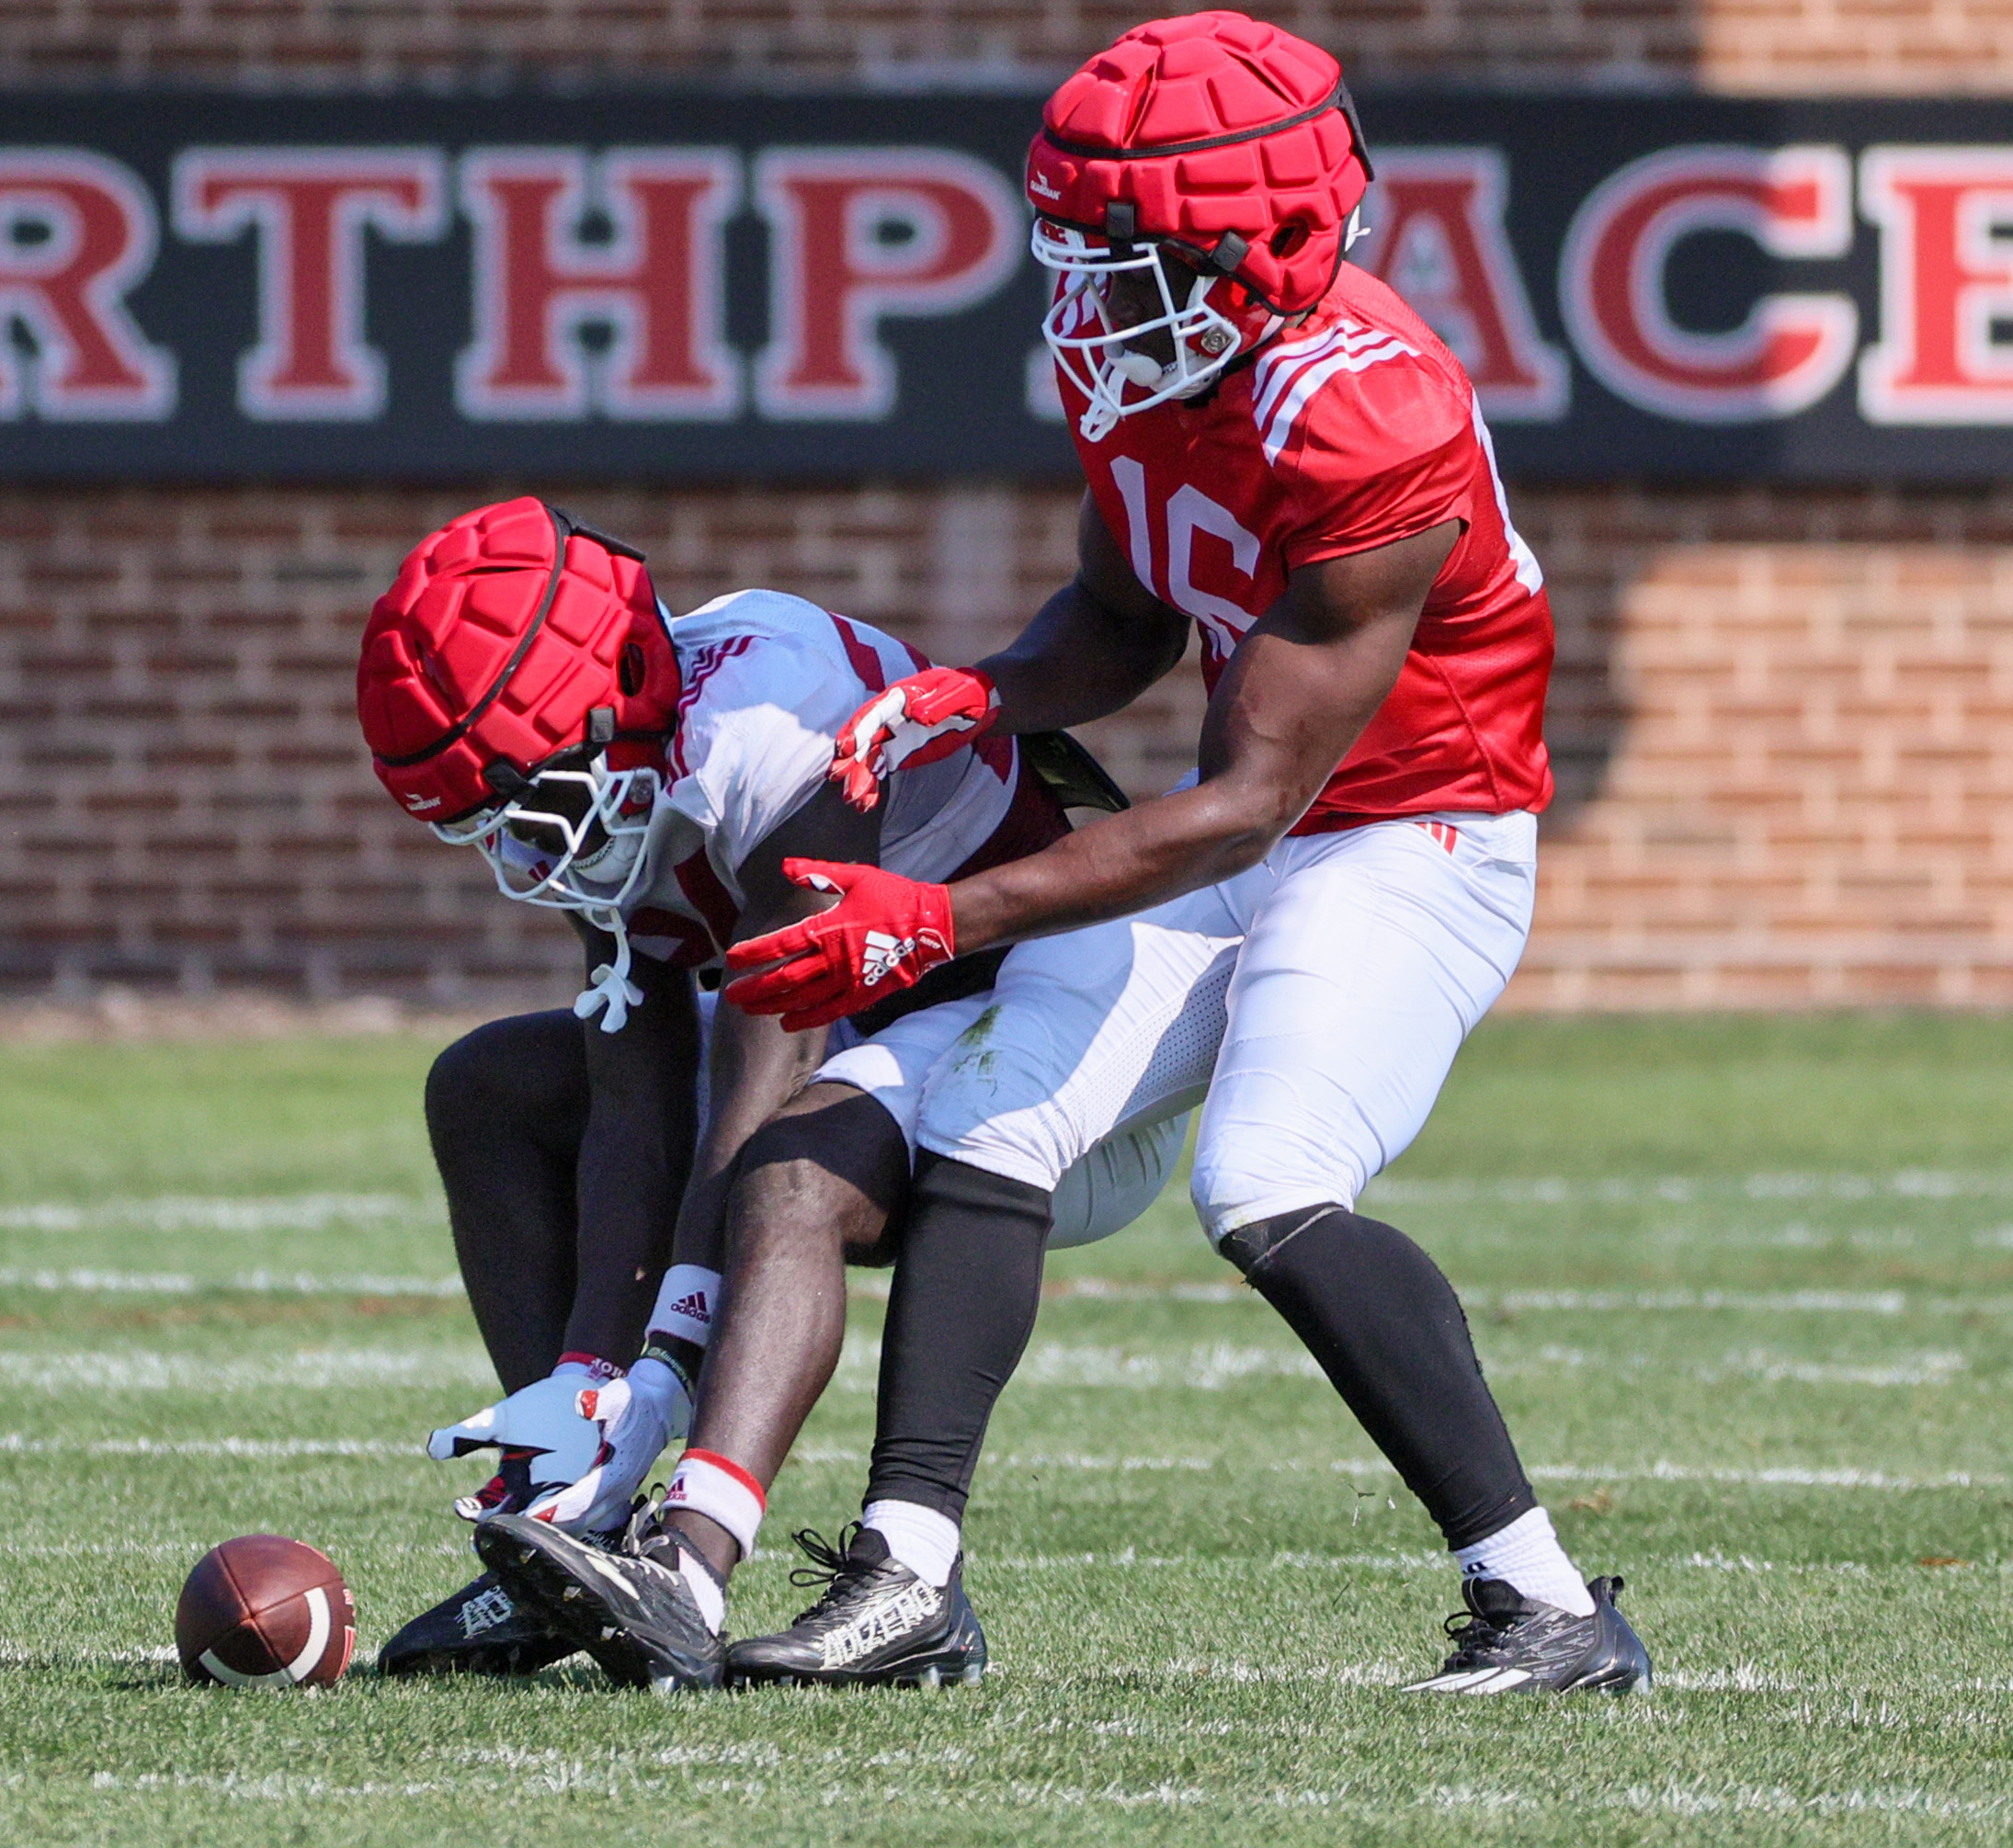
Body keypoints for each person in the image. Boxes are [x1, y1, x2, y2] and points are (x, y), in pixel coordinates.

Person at [488, 13, 1653, 1696]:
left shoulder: (1370, 418)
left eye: (1134, 262)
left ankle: (1542, 1600)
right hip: (1251, 823)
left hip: (1413, 837)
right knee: (987, 1117)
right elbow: (1119, 620)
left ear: (1269, 249)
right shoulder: (1153, 362)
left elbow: (1252, 793)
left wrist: (926, 920)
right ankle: (907, 1578)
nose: (1091, 301)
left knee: (1264, 1180)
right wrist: (984, 685)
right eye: (1080, 253)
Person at [356, 496, 1171, 1683]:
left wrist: (662, 1370)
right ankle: (571, 1530)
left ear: (624, 695)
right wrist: (588, 1387)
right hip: (859, 1037)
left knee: (779, 1167)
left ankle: (687, 1565)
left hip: (1041, 1057)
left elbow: (753, 1081)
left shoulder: (773, 718)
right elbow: (633, 1098)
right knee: (489, 1088)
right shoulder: (622, 750)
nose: (529, 859)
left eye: (535, 810)